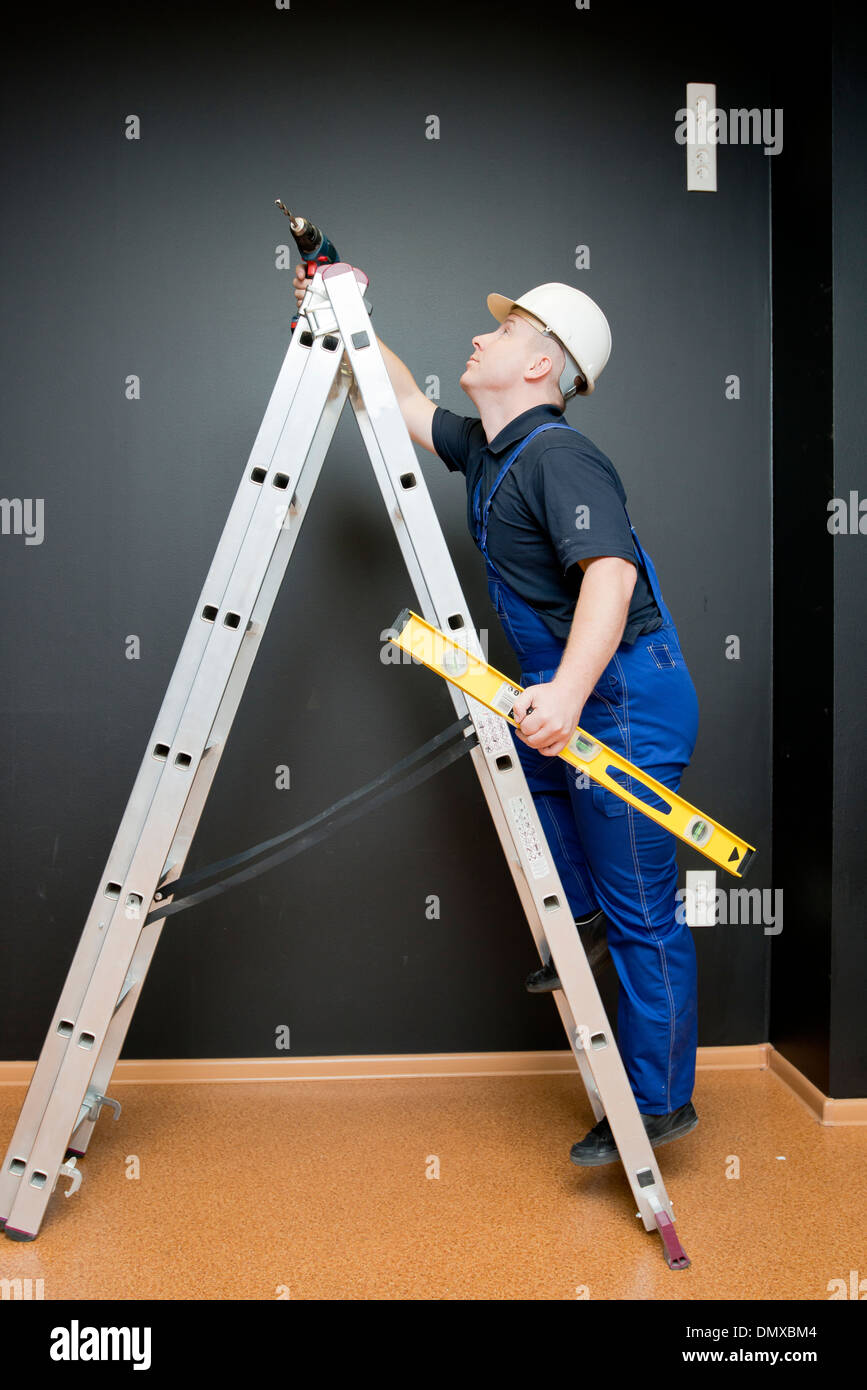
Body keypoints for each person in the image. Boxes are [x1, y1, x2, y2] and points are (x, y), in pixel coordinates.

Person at [293, 266, 701, 1166]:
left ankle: (657, 1105)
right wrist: (349, 299)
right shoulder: (490, 446)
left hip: (623, 690)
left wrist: (563, 694)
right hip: (570, 680)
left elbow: (610, 573)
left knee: (643, 912)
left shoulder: (559, 456)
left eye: (504, 331)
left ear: (541, 366)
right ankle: (579, 923)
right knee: (545, 816)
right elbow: (397, 395)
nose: (480, 337)